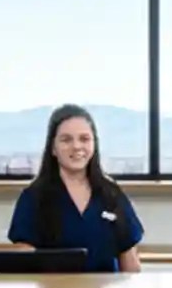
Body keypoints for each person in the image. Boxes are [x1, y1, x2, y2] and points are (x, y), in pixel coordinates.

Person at [8, 104, 143, 272]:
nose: (77, 146)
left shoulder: (112, 195)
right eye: (66, 140)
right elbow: (25, 263)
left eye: (84, 139)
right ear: (53, 148)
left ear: (94, 145)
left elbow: (130, 264)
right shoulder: (34, 198)